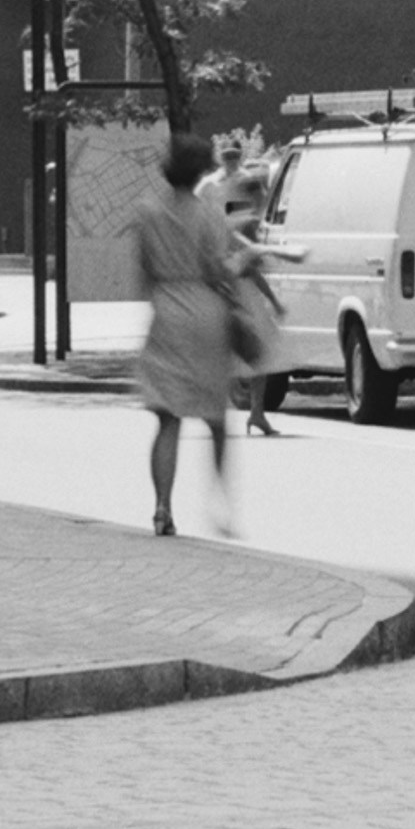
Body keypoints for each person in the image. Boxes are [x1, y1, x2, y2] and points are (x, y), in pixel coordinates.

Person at [128, 117, 266, 541]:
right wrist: (246, 261)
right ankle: (221, 504)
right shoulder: (208, 216)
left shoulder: (146, 213)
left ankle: (162, 508)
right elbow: (218, 269)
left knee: (167, 420)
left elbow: (144, 275)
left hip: (167, 313)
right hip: (207, 316)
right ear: (202, 170)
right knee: (215, 419)